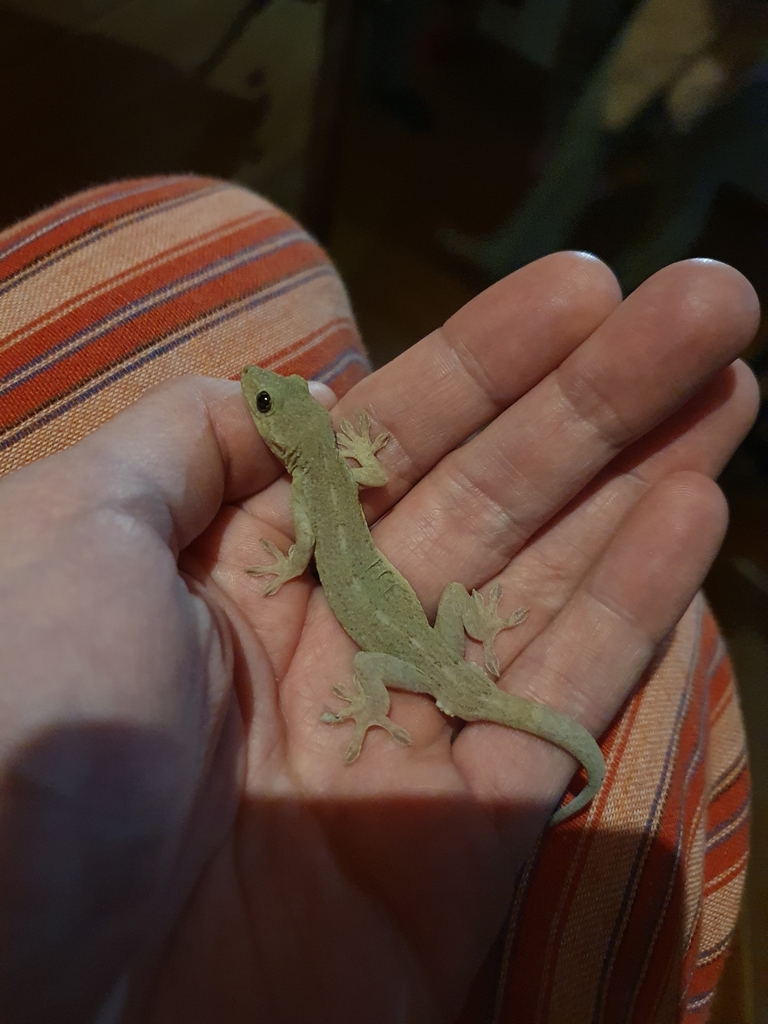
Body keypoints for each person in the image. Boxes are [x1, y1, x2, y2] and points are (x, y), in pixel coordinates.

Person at [0, 176, 755, 1022]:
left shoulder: (310, 496)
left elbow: (315, 547)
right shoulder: (328, 469)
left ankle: (386, 700)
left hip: (415, 661)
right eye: (263, 397)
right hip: (439, 642)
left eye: (263, 401)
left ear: (287, 436)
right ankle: (486, 656)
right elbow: (354, 484)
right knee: (474, 599)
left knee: (370, 655)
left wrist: (294, 581)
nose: (254, 390)